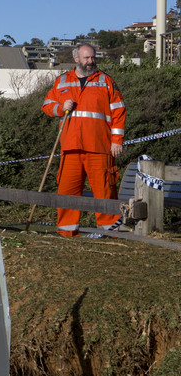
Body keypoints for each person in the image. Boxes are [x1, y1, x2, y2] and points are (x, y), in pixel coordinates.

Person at [42, 43, 126, 237]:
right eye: (87, 58)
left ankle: (110, 232)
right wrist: (61, 107)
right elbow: (47, 105)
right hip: (70, 146)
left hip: (99, 146)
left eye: (93, 58)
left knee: (104, 191)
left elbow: (119, 111)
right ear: (76, 58)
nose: (91, 62)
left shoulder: (106, 81)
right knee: (66, 191)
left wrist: (117, 140)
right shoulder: (62, 81)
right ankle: (67, 232)